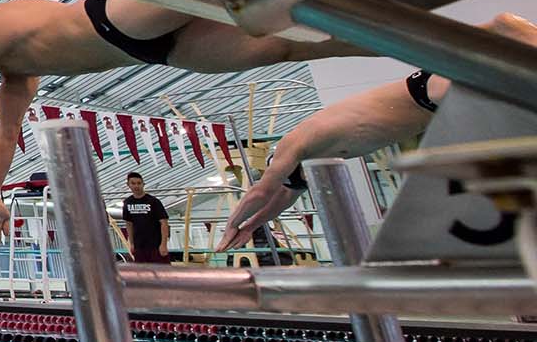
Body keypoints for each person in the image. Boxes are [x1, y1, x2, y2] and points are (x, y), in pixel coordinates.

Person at [0, 0, 370, 245]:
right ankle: (404, 39)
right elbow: (4, 135)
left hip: (112, 19)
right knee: (289, 45)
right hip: (154, 50)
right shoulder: (18, 74)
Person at [216, 13, 537, 249]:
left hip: (420, 93)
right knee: (508, 79)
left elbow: (260, 193)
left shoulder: (294, 142)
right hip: (432, 106)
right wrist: (251, 228)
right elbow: (279, 201)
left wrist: (230, 226)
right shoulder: (309, 168)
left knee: (501, 32)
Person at [120, 172, 170, 264]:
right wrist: (131, 243)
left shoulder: (154, 202)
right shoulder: (127, 202)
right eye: (133, 183)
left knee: (162, 271)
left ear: (143, 184)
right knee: (143, 273)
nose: (136, 186)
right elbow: (129, 224)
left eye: (139, 183)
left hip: (155, 245)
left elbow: (164, 222)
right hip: (139, 245)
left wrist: (163, 244)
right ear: (128, 185)